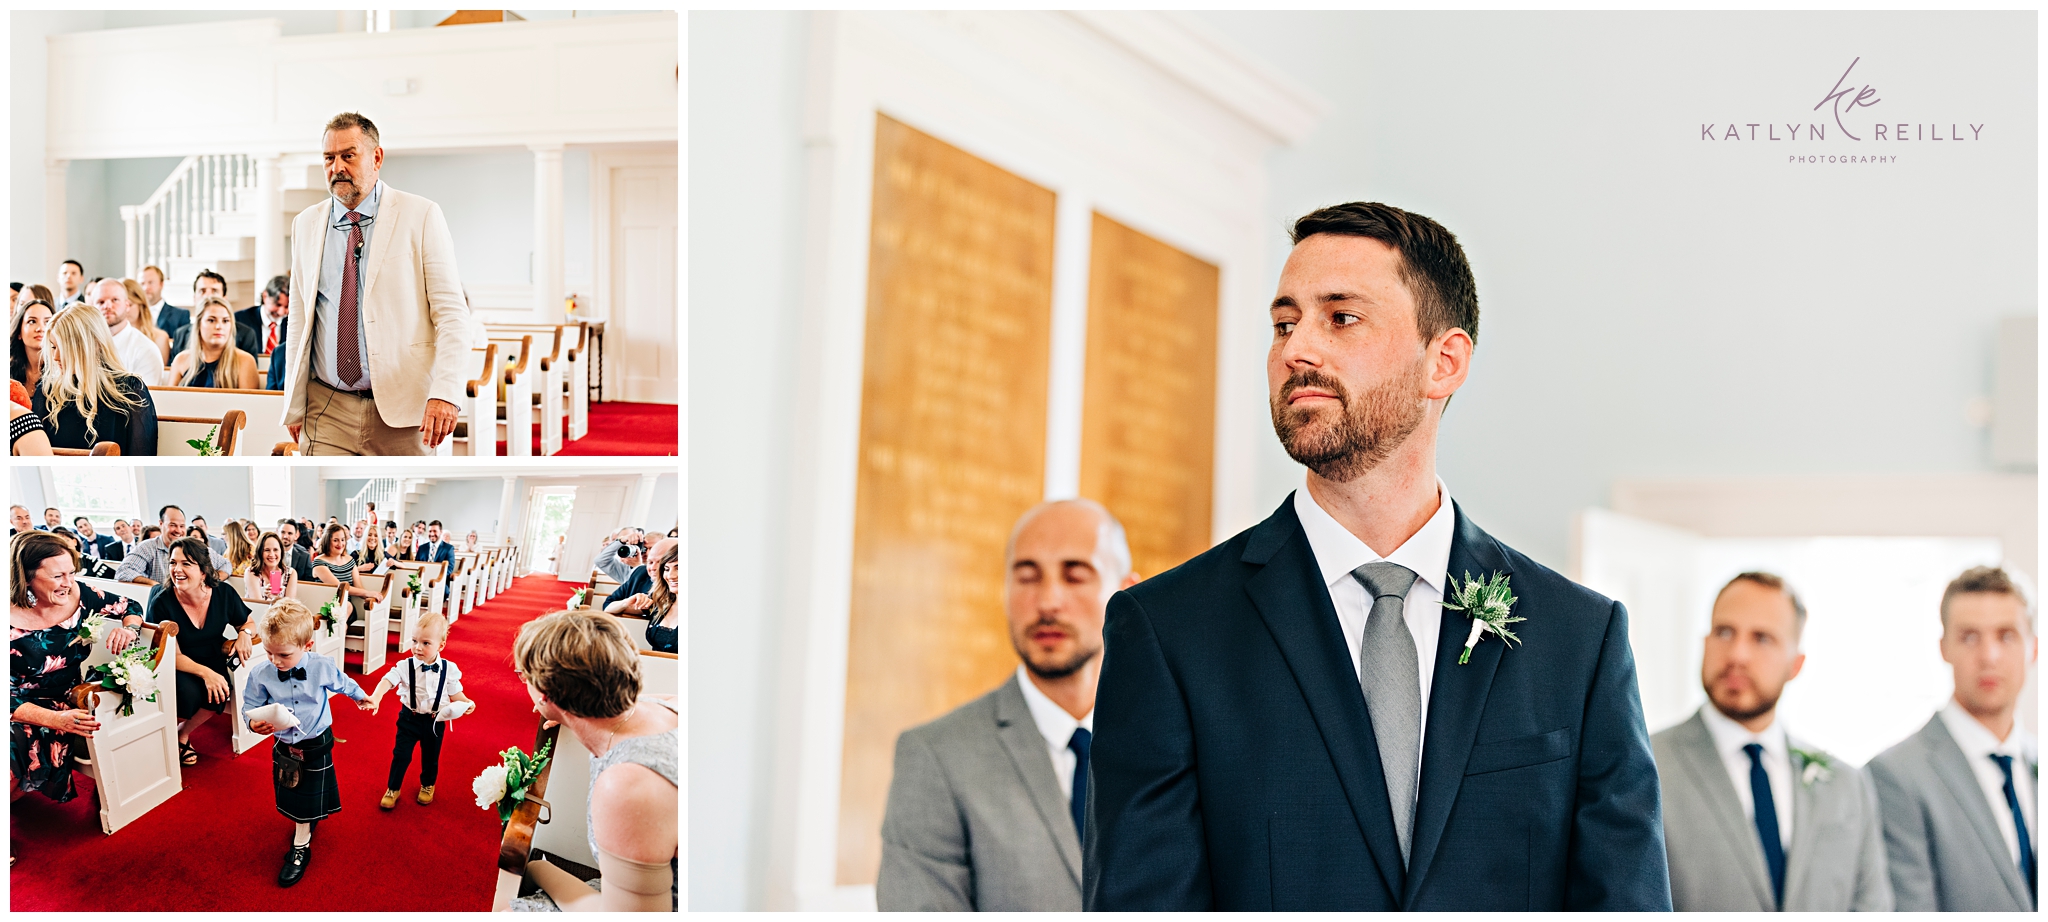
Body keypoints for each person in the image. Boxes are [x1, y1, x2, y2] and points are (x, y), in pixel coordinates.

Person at [1085, 203, 1669, 911]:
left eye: (1340, 318)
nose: (1297, 348)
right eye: (1284, 322)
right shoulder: (1168, 632)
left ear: (1443, 363)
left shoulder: (1578, 640)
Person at [876, 501, 1135, 910]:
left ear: (1126, 593)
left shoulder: (1173, 742)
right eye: (1027, 576)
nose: (1048, 601)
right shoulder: (936, 758)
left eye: (1075, 575)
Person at [1652, 572, 1890, 911]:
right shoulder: (1646, 767)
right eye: (1724, 632)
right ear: (1705, 643)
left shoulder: (1846, 785)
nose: (1737, 654)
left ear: (1796, 664)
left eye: (1761, 638)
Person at [281, 111, 475, 455]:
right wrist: (294, 403)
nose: (337, 167)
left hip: (402, 410)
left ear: (377, 157)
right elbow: (300, 317)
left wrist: (445, 391)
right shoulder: (306, 224)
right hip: (326, 408)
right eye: (329, 158)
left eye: (348, 156)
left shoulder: (421, 215)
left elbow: (452, 315)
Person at [1869, 565, 2038, 911]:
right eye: (1969, 637)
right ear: (1944, 647)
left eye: (2006, 635)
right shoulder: (1895, 775)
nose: (1989, 656)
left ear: (2032, 648)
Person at [509, 610, 677, 910]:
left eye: (524, 676)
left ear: (545, 693)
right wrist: (572, 714)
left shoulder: (627, 784)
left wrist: (538, 869)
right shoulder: (666, 706)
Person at [243, 597, 373, 887]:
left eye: (284, 655)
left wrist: (360, 696)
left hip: (316, 741)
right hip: (284, 746)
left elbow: (343, 682)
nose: (276, 661)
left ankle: (301, 847)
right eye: (269, 653)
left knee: (309, 795)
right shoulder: (260, 674)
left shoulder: (321, 666)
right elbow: (250, 705)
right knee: (293, 792)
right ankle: (306, 819)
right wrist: (252, 723)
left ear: (307, 646)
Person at [10, 531, 144, 806]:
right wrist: (53, 719)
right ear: (26, 576)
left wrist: (129, 629)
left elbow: (130, 605)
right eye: (58, 576)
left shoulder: (81, 594)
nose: (69, 583)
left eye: (71, 573)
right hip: (18, 706)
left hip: (67, 698)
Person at [135, 536, 256, 766]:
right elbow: (172, 655)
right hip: (176, 661)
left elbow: (247, 623)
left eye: (186, 564)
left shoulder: (223, 593)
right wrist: (206, 674)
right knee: (189, 694)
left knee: (220, 691)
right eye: (172, 563)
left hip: (212, 654)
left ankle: (182, 733)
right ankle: (159, 737)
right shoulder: (163, 600)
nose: (176, 570)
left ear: (203, 571)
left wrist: (244, 635)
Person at [364, 610, 472, 809]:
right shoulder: (406, 665)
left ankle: (427, 785)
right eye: (414, 641)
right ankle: (393, 788)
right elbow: (388, 679)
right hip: (409, 719)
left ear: (441, 645)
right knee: (401, 755)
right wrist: (376, 697)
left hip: (435, 721)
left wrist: (466, 703)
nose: (417, 648)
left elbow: (456, 693)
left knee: (431, 757)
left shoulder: (449, 669)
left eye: (425, 643)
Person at [34, 304, 159, 456]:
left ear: (91, 345)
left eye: (64, 348)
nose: (55, 357)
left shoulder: (131, 390)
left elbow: (141, 457)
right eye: (53, 347)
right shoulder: (48, 391)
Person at [168, 296, 261, 390]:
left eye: (225, 321)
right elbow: (170, 400)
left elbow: (248, 403)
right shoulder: (181, 360)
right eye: (211, 320)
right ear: (199, 325)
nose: (219, 326)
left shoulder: (245, 361)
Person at [89, 279, 164, 385]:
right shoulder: (84, 344)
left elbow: (143, 399)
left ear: (127, 305)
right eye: (101, 302)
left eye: (115, 300)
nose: (107, 306)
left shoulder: (145, 350)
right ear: (93, 307)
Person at [113, 505, 191, 586]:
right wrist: (156, 586)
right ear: (161, 524)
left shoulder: (192, 548)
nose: (178, 530)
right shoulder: (147, 547)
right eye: (173, 525)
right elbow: (123, 572)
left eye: (182, 526)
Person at [311, 523, 384, 610]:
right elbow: (340, 587)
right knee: (345, 607)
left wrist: (373, 596)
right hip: (326, 607)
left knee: (348, 606)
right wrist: (367, 593)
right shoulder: (319, 562)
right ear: (327, 541)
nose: (340, 544)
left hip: (348, 608)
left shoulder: (350, 560)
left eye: (342, 540)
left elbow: (358, 588)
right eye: (335, 540)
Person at [240, 275, 291, 390]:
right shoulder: (241, 320)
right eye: (277, 305)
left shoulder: (294, 324)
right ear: (265, 296)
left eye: (287, 306)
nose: (282, 312)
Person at [604, 537, 677, 613]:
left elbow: (654, 612)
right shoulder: (640, 572)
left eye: (659, 562)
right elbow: (607, 605)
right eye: (650, 562)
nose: (653, 568)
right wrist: (625, 603)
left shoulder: (675, 587)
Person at [121, 279, 175, 368]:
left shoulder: (160, 338)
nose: (125, 310)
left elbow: (159, 375)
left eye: (130, 305)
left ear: (141, 305)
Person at [11, 297, 54, 396]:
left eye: (47, 322)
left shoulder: (62, 371)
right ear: (19, 332)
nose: (41, 328)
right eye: (32, 321)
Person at [245, 531, 300, 604]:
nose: (272, 554)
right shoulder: (251, 572)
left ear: (281, 551)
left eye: (275, 550)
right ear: (260, 552)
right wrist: (266, 596)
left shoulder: (291, 573)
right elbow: (257, 606)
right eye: (267, 550)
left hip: (281, 614)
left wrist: (276, 598)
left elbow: (289, 606)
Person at [140, 265, 186, 338]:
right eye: (142, 283)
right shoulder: (133, 314)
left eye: (151, 282)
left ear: (161, 284)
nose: (146, 288)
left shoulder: (180, 315)